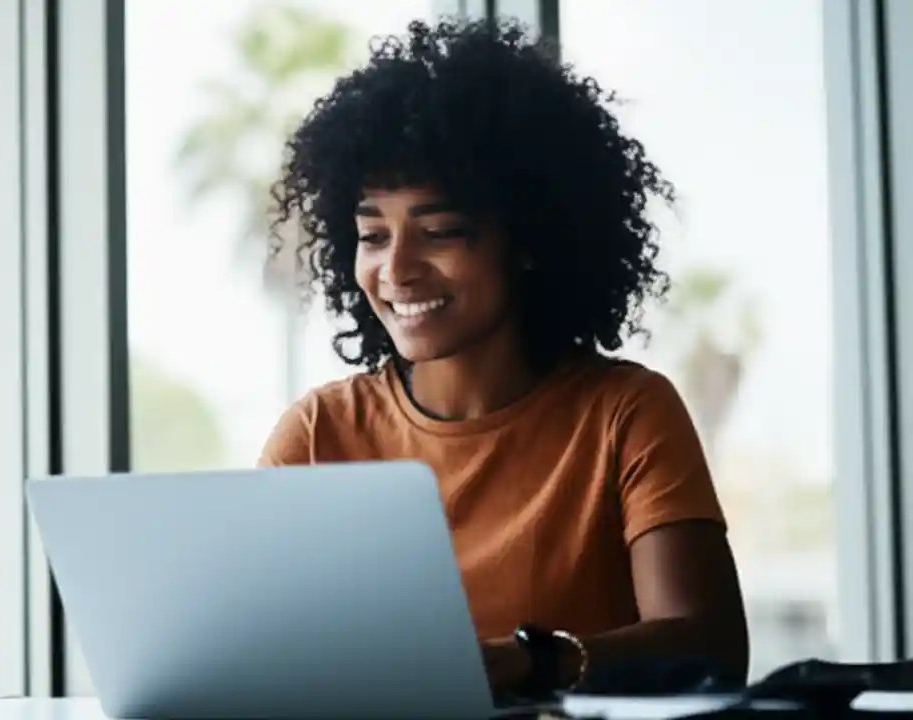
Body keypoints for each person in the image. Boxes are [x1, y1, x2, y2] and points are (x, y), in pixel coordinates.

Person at [259, 18, 748, 699]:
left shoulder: (624, 413)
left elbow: (709, 645)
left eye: (438, 232)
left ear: (528, 238)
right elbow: (256, 648)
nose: (395, 268)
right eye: (372, 235)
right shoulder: (318, 434)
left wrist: (529, 662)